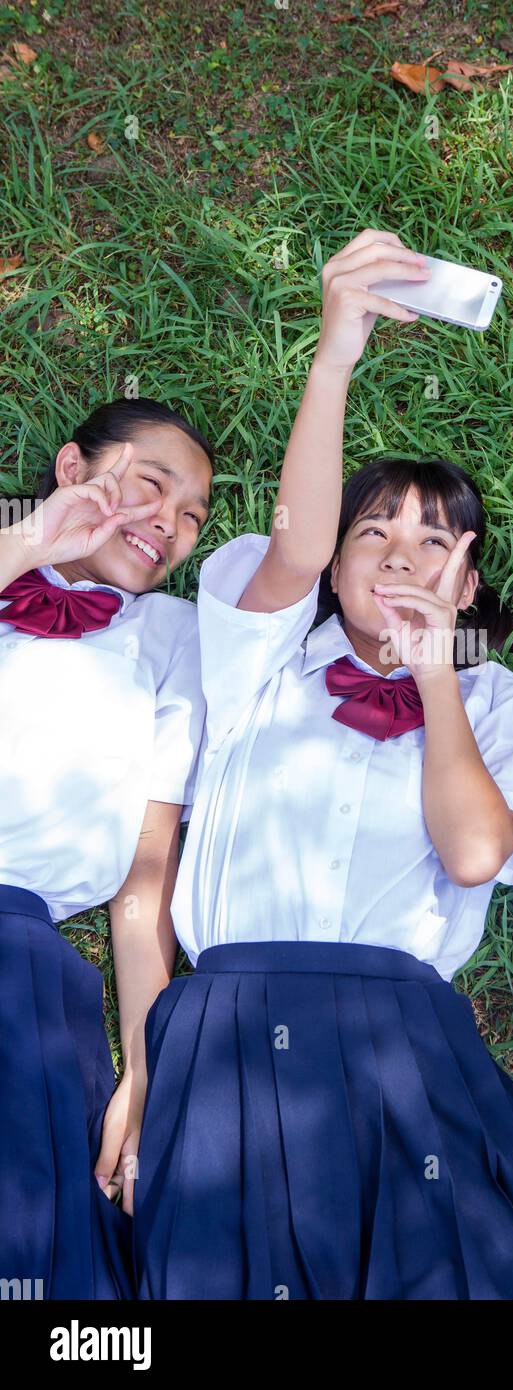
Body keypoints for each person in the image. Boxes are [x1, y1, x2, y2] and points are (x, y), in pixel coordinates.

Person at [133, 229, 513, 1301]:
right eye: (376, 534)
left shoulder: (498, 703)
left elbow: (468, 857)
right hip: (229, 1011)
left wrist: (436, 673)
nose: (400, 556)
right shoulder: (260, 657)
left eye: (433, 543)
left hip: (401, 1027)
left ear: (467, 586)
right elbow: (298, 545)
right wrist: (334, 355)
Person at [0, 398, 211, 1297]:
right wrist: (28, 543)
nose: (167, 524)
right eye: (151, 487)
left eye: (192, 518)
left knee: (36, 1234)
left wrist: (145, 1065)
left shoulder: (172, 636)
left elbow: (145, 874)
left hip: (21, 956)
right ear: (72, 468)